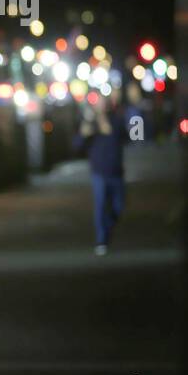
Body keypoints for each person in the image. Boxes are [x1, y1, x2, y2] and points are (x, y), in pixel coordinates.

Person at [74, 93, 128, 255]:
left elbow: (126, 138)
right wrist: (84, 133)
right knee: (100, 206)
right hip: (99, 172)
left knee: (119, 205)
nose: (102, 106)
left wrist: (107, 126)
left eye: (104, 103)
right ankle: (101, 239)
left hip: (116, 171)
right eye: (99, 103)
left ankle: (108, 225)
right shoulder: (89, 123)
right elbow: (77, 145)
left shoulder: (116, 121)